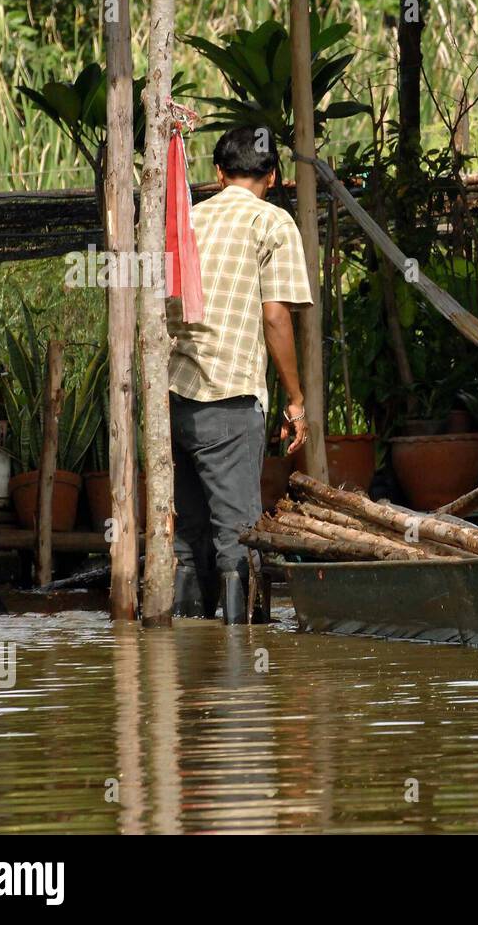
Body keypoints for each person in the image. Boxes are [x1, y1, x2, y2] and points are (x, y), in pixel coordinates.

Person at [166, 125, 313, 624]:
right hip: (229, 399)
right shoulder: (272, 223)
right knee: (236, 541)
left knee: (187, 541)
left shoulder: (185, 221)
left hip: (174, 399)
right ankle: (240, 675)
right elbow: (276, 317)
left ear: (218, 173)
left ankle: (182, 664)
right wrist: (295, 400)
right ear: (272, 175)